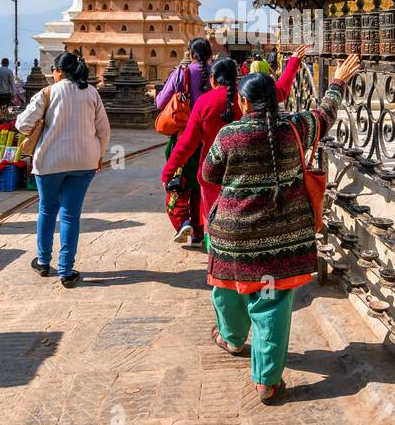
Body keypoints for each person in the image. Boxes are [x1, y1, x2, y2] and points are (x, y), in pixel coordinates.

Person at [201, 53, 361, 403]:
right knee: (271, 305)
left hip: (232, 234)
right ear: (276, 100)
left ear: (243, 102)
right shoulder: (295, 128)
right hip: (282, 238)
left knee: (227, 288)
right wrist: (338, 82)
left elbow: (208, 174)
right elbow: (326, 114)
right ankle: (266, 380)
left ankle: (230, 338)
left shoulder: (229, 135)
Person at [162, 46, 307, 247]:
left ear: (213, 79)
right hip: (250, 172)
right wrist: (294, 62)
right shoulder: (249, 96)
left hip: (213, 175)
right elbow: (280, 90)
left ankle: (217, 260)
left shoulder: (204, 103)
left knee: (214, 223)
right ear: (236, 77)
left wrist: (168, 173)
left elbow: (186, 143)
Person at [15, 51, 110, 286]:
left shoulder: (47, 93)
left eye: (54, 71)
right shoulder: (91, 93)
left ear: (59, 71)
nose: (53, 75)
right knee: (70, 215)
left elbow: (22, 124)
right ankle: (66, 271)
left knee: (47, 211)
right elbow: (104, 130)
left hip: (50, 162)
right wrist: (99, 154)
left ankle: (44, 262)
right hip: (84, 161)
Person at [155, 38, 213, 244]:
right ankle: (199, 230)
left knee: (177, 182)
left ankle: (182, 222)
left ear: (190, 53)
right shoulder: (216, 74)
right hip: (209, 139)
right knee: (200, 185)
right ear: (210, 55)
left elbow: (160, 101)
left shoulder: (181, 73)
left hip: (183, 136)